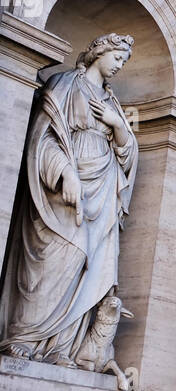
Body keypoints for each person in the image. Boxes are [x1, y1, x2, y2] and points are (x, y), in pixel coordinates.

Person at [0, 33, 138, 366]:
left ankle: (61, 347)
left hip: (102, 187)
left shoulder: (112, 103)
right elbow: (42, 136)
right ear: (99, 52)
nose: (120, 66)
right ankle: (24, 337)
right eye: (117, 57)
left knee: (85, 265)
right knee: (58, 255)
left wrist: (117, 124)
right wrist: (65, 172)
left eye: (125, 62)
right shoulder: (65, 85)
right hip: (63, 185)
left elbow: (128, 152)